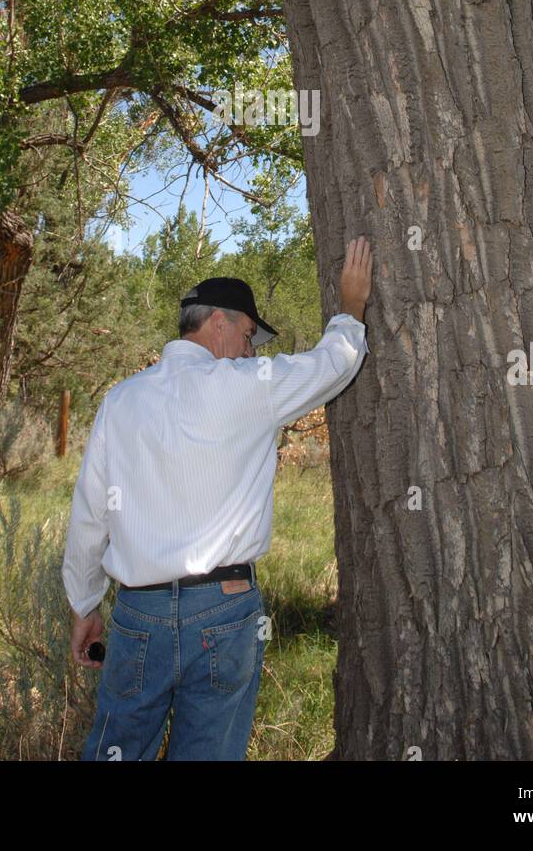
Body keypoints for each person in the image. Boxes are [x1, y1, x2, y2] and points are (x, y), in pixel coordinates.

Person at [63, 235, 373, 761]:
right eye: (250, 335)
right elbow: (334, 363)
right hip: (225, 611)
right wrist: (351, 307)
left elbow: (91, 514)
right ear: (220, 323)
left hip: (138, 613)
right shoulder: (248, 385)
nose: (252, 350)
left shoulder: (122, 400)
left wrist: (84, 602)